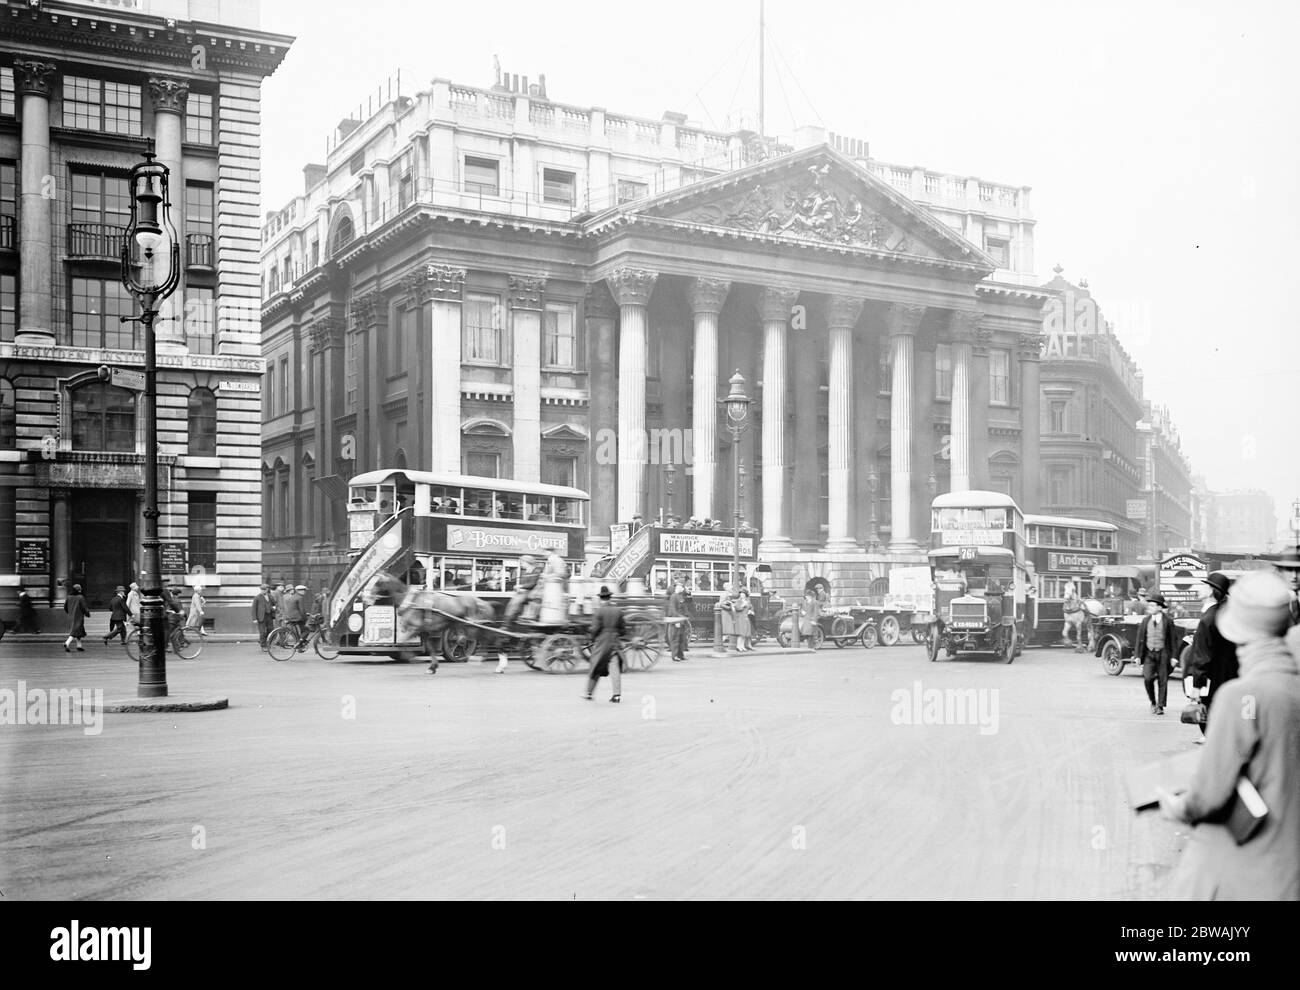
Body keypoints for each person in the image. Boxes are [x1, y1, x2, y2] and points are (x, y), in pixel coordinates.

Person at [1157, 571, 1300, 900]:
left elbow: (1209, 794)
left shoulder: (1244, 697)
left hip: (1252, 866)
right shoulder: (1291, 687)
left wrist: (1177, 806)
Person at [1183, 571, 1238, 736]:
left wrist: (1197, 686)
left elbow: (1202, 656)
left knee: (1208, 723)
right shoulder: (1222, 615)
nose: (1199, 588)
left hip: (1210, 682)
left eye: (1203, 585)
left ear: (1211, 591)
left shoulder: (1207, 620)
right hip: (1224, 679)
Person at [1137, 592, 1179, 715]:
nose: (1150, 608)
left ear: (1160, 607)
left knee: (1163, 680)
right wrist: (1138, 656)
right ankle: (1153, 701)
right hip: (1149, 653)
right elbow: (1140, 638)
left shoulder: (1168, 621)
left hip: (1163, 653)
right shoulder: (1145, 621)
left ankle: (1160, 705)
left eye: (1153, 606)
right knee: (1148, 678)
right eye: (1149, 606)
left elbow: (1173, 640)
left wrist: (1174, 657)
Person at [584, 587, 626, 702]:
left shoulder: (599, 611)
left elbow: (595, 629)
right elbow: (623, 630)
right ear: (610, 597)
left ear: (600, 598)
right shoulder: (618, 611)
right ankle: (616, 696)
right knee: (614, 669)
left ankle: (589, 693)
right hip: (614, 643)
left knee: (595, 667)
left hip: (602, 644)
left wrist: (591, 639)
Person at [504, 555, 543, 625]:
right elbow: (525, 583)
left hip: (533, 593)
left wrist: (520, 586)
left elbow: (532, 584)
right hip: (525, 592)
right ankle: (511, 620)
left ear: (527, 562)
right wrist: (519, 588)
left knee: (514, 602)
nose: (521, 564)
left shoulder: (536, 571)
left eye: (522, 563)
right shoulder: (527, 571)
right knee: (512, 602)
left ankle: (507, 624)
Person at [666, 579, 690, 662]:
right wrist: (677, 621)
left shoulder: (680, 596)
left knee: (681, 638)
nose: (683, 589)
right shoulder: (674, 596)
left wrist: (686, 616)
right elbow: (673, 610)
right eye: (681, 587)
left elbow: (684, 608)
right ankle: (675, 655)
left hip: (681, 620)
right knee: (675, 638)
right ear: (678, 587)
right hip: (676, 620)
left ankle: (680, 655)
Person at [63, 584, 90, 653]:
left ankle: (79, 646)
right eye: (80, 589)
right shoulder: (80, 597)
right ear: (78, 590)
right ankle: (67, 643)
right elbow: (84, 607)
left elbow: (65, 607)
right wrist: (87, 613)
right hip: (78, 617)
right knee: (75, 631)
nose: (80, 590)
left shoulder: (68, 597)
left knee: (78, 631)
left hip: (71, 616)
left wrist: (70, 613)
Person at [252, 583, 275, 652]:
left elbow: (274, 604)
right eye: (262, 589)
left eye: (264, 589)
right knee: (262, 632)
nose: (263, 591)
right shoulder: (257, 597)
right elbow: (254, 608)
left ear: (267, 590)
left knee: (270, 630)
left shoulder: (270, 596)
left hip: (269, 616)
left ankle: (267, 643)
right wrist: (254, 618)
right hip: (261, 617)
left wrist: (273, 608)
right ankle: (263, 645)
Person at [734, 587, 753, 652]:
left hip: (746, 618)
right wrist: (742, 606)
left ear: (745, 595)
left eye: (743, 594)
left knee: (745, 633)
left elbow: (750, 607)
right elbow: (737, 608)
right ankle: (738, 646)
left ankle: (742, 646)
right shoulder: (739, 601)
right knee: (741, 633)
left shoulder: (747, 601)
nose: (742, 595)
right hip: (740, 618)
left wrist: (750, 611)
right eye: (741, 594)